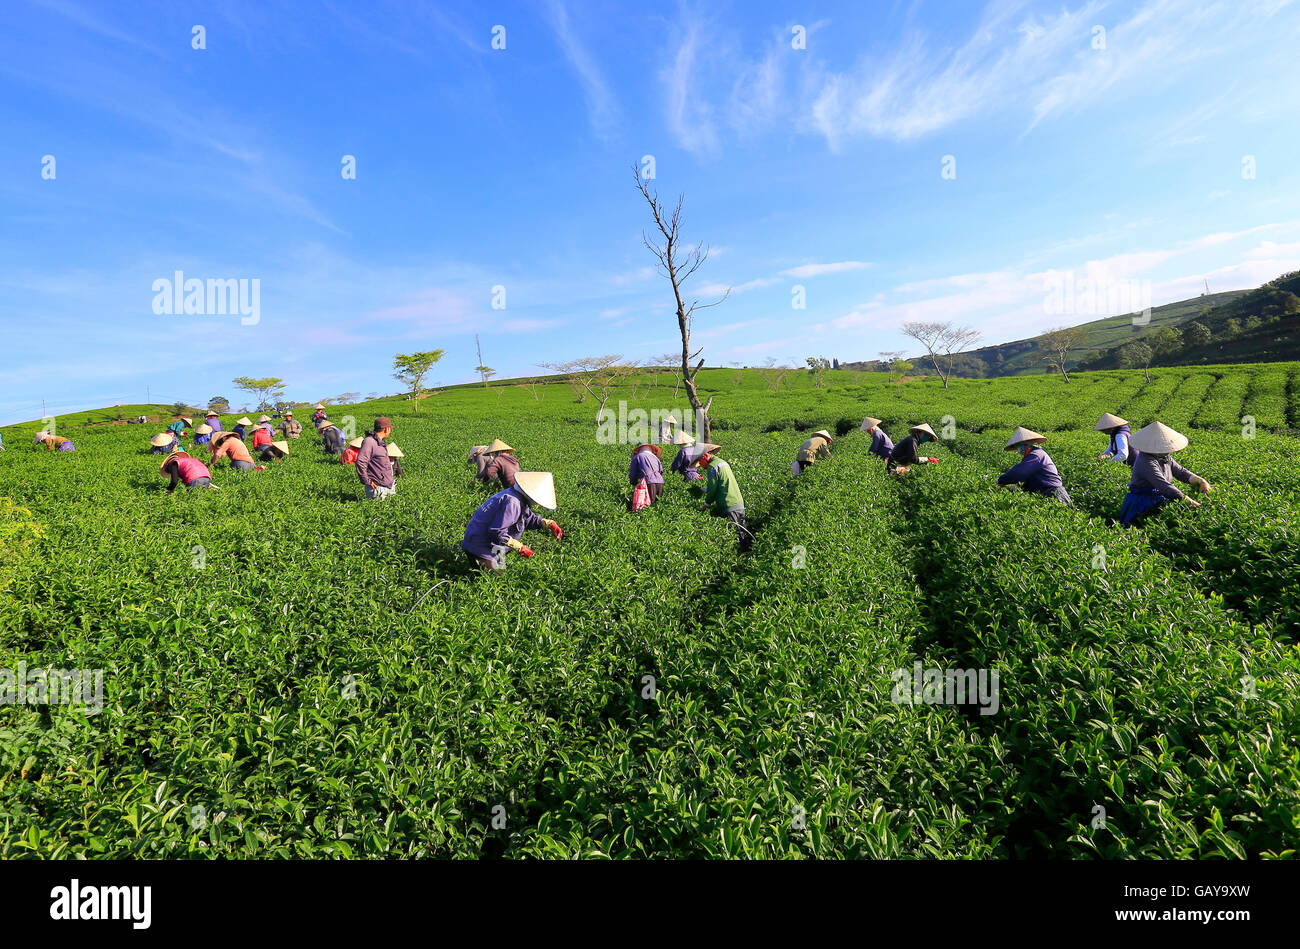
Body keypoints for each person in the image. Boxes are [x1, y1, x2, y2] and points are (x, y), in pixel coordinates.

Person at [461, 471, 562, 571]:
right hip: (480, 545)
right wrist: (519, 547)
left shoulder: (518, 497)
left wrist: (549, 523)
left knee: (501, 574)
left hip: (494, 545)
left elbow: (529, 519)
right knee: (494, 577)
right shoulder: (513, 502)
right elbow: (497, 531)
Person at [1119, 422, 1212, 526]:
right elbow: (1163, 485)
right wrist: (1190, 502)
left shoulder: (1163, 456)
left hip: (1158, 498)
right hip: (1142, 502)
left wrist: (1200, 481)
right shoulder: (1145, 461)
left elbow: (1181, 472)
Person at [694, 443, 751, 552]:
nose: (700, 465)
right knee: (743, 533)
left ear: (705, 456)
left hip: (728, 504)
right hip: (737, 502)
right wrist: (703, 489)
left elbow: (713, 488)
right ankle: (748, 555)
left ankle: (741, 560)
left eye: (700, 461)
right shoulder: (721, 462)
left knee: (736, 537)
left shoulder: (712, 466)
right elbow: (721, 482)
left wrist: (706, 504)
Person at [997, 427, 1071, 504]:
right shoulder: (1033, 455)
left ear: (1026, 445)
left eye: (1019, 447)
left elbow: (1019, 472)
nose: (1018, 450)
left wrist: (1000, 480)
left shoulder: (1036, 455)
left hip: (1054, 494)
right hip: (1045, 493)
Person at [356, 417, 396, 499]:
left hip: (386, 485)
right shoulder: (369, 442)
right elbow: (361, 462)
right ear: (386, 429)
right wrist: (367, 481)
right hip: (378, 488)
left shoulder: (380, 442)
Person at [629, 444, 665, 510]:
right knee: (658, 505)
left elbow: (633, 473)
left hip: (649, 482)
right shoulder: (655, 458)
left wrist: (633, 482)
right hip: (660, 481)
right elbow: (661, 471)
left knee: (648, 505)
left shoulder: (637, 457)